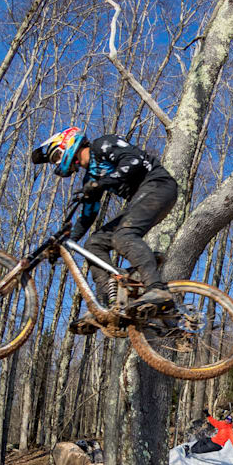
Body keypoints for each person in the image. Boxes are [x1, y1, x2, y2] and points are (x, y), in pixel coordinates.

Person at [31, 126, 178, 331]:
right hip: (142, 199)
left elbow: (133, 161)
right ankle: (109, 307)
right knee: (94, 243)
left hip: (158, 186)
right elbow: (88, 215)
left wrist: (101, 184)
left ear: (68, 143)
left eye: (56, 156)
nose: (57, 162)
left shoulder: (103, 145)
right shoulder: (91, 178)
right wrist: (65, 240)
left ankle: (156, 288)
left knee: (123, 235)